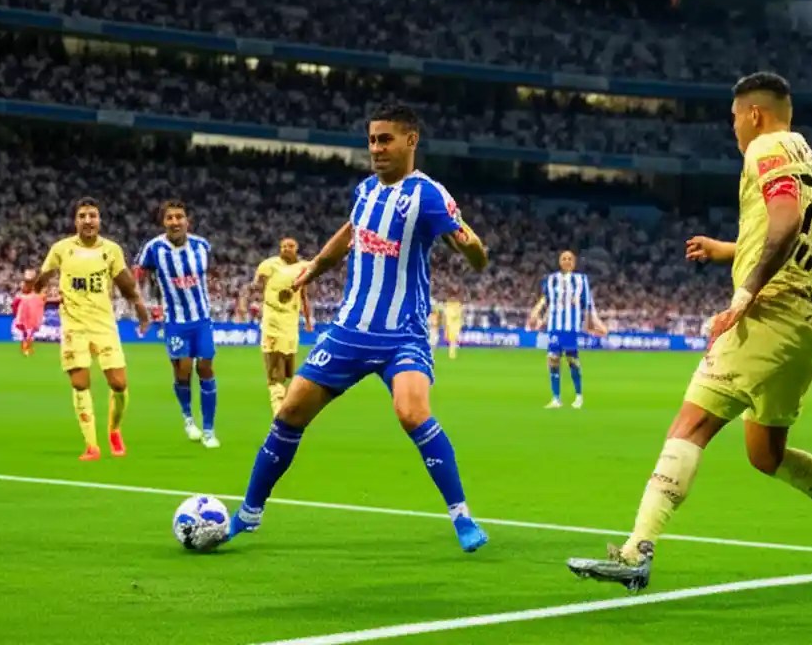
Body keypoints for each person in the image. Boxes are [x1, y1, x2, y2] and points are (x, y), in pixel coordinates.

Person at [566, 73, 812, 592]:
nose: (734, 130)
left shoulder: (766, 147)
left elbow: (787, 221)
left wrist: (744, 294)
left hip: (764, 317)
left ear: (753, 114)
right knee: (765, 454)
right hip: (802, 328)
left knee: (690, 425)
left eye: (733, 119)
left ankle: (637, 551)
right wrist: (809, 290)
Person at [226, 104, 491, 552]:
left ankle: (461, 517)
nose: (376, 149)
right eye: (371, 140)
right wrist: (313, 269)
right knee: (289, 413)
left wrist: (471, 249)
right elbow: (348, 235)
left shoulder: (427, 195)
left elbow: (472, 249)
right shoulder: (366, 191)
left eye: (385, 139)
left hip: (402, 333)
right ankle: (248, 514)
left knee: (411, 412)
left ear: (411, 141)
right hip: (349, 330)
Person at [35, 197, 150, 461]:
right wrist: (35, 293)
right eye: (83, 216)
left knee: (119, 384)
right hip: (74, 325)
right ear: (75, 221)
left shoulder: (111, 250)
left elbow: (126, 283)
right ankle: (91, 445)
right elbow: (44, 278)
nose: (88, 220)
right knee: (80, 383)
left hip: (104, 325)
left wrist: (140, 307)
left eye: (93, 216)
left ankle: (114, 430)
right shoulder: (62, 249)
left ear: (99, 220)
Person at [137, 200, 219, 448]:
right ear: (163, 222)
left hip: (202, 319)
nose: (175, 222)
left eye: (179, 217)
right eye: (169, 218)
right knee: (182, 371)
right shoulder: (153, 249)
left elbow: (209, 273)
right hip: (175, 321)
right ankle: (187, 418)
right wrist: (143, 304)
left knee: (205, 368)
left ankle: (208, 430)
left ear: (187, 221)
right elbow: (137, 274)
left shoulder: (202, 245)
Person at [528, 251, 607, 410]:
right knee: (553, 359)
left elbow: (588, 305)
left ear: (574, 262)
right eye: (564, 258)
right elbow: (547, 301)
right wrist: (537, 315)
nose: (567, 261)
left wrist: (597, 323)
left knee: (572, 360)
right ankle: (556, 398)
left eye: (570, 258)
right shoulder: (551, 280)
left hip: (571, 327)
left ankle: (578, 396)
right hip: (555, 327)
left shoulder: (581, 280)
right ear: (559, 261)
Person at [253, 237, 313, 416]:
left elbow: (304, 296)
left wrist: (308, 320)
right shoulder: (270, 264)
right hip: (272, 321)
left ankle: (283, 400)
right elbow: (256, 284)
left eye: (291, 246)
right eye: (284, 246)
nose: (287, 249)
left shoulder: (303, 267)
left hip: (291, 323)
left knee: (288, 373)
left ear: (297, 248)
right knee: (274, 368)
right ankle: (277, 410)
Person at [12, 269, 46, 357]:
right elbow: (15, 303)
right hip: (26, 311)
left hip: (30, 311)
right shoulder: (24, 293)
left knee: (29, 331)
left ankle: (26, 348)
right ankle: (26, 348)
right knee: (27, 331)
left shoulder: (35, 292)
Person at [442, 290, 464, 360]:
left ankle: (452, 354)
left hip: (454, 326)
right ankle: (452, 354)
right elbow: (447, 315)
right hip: (450, 325)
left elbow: (457, 315)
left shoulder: (457, 306)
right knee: (451, 340)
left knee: (453, 340)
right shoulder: (448, 306)